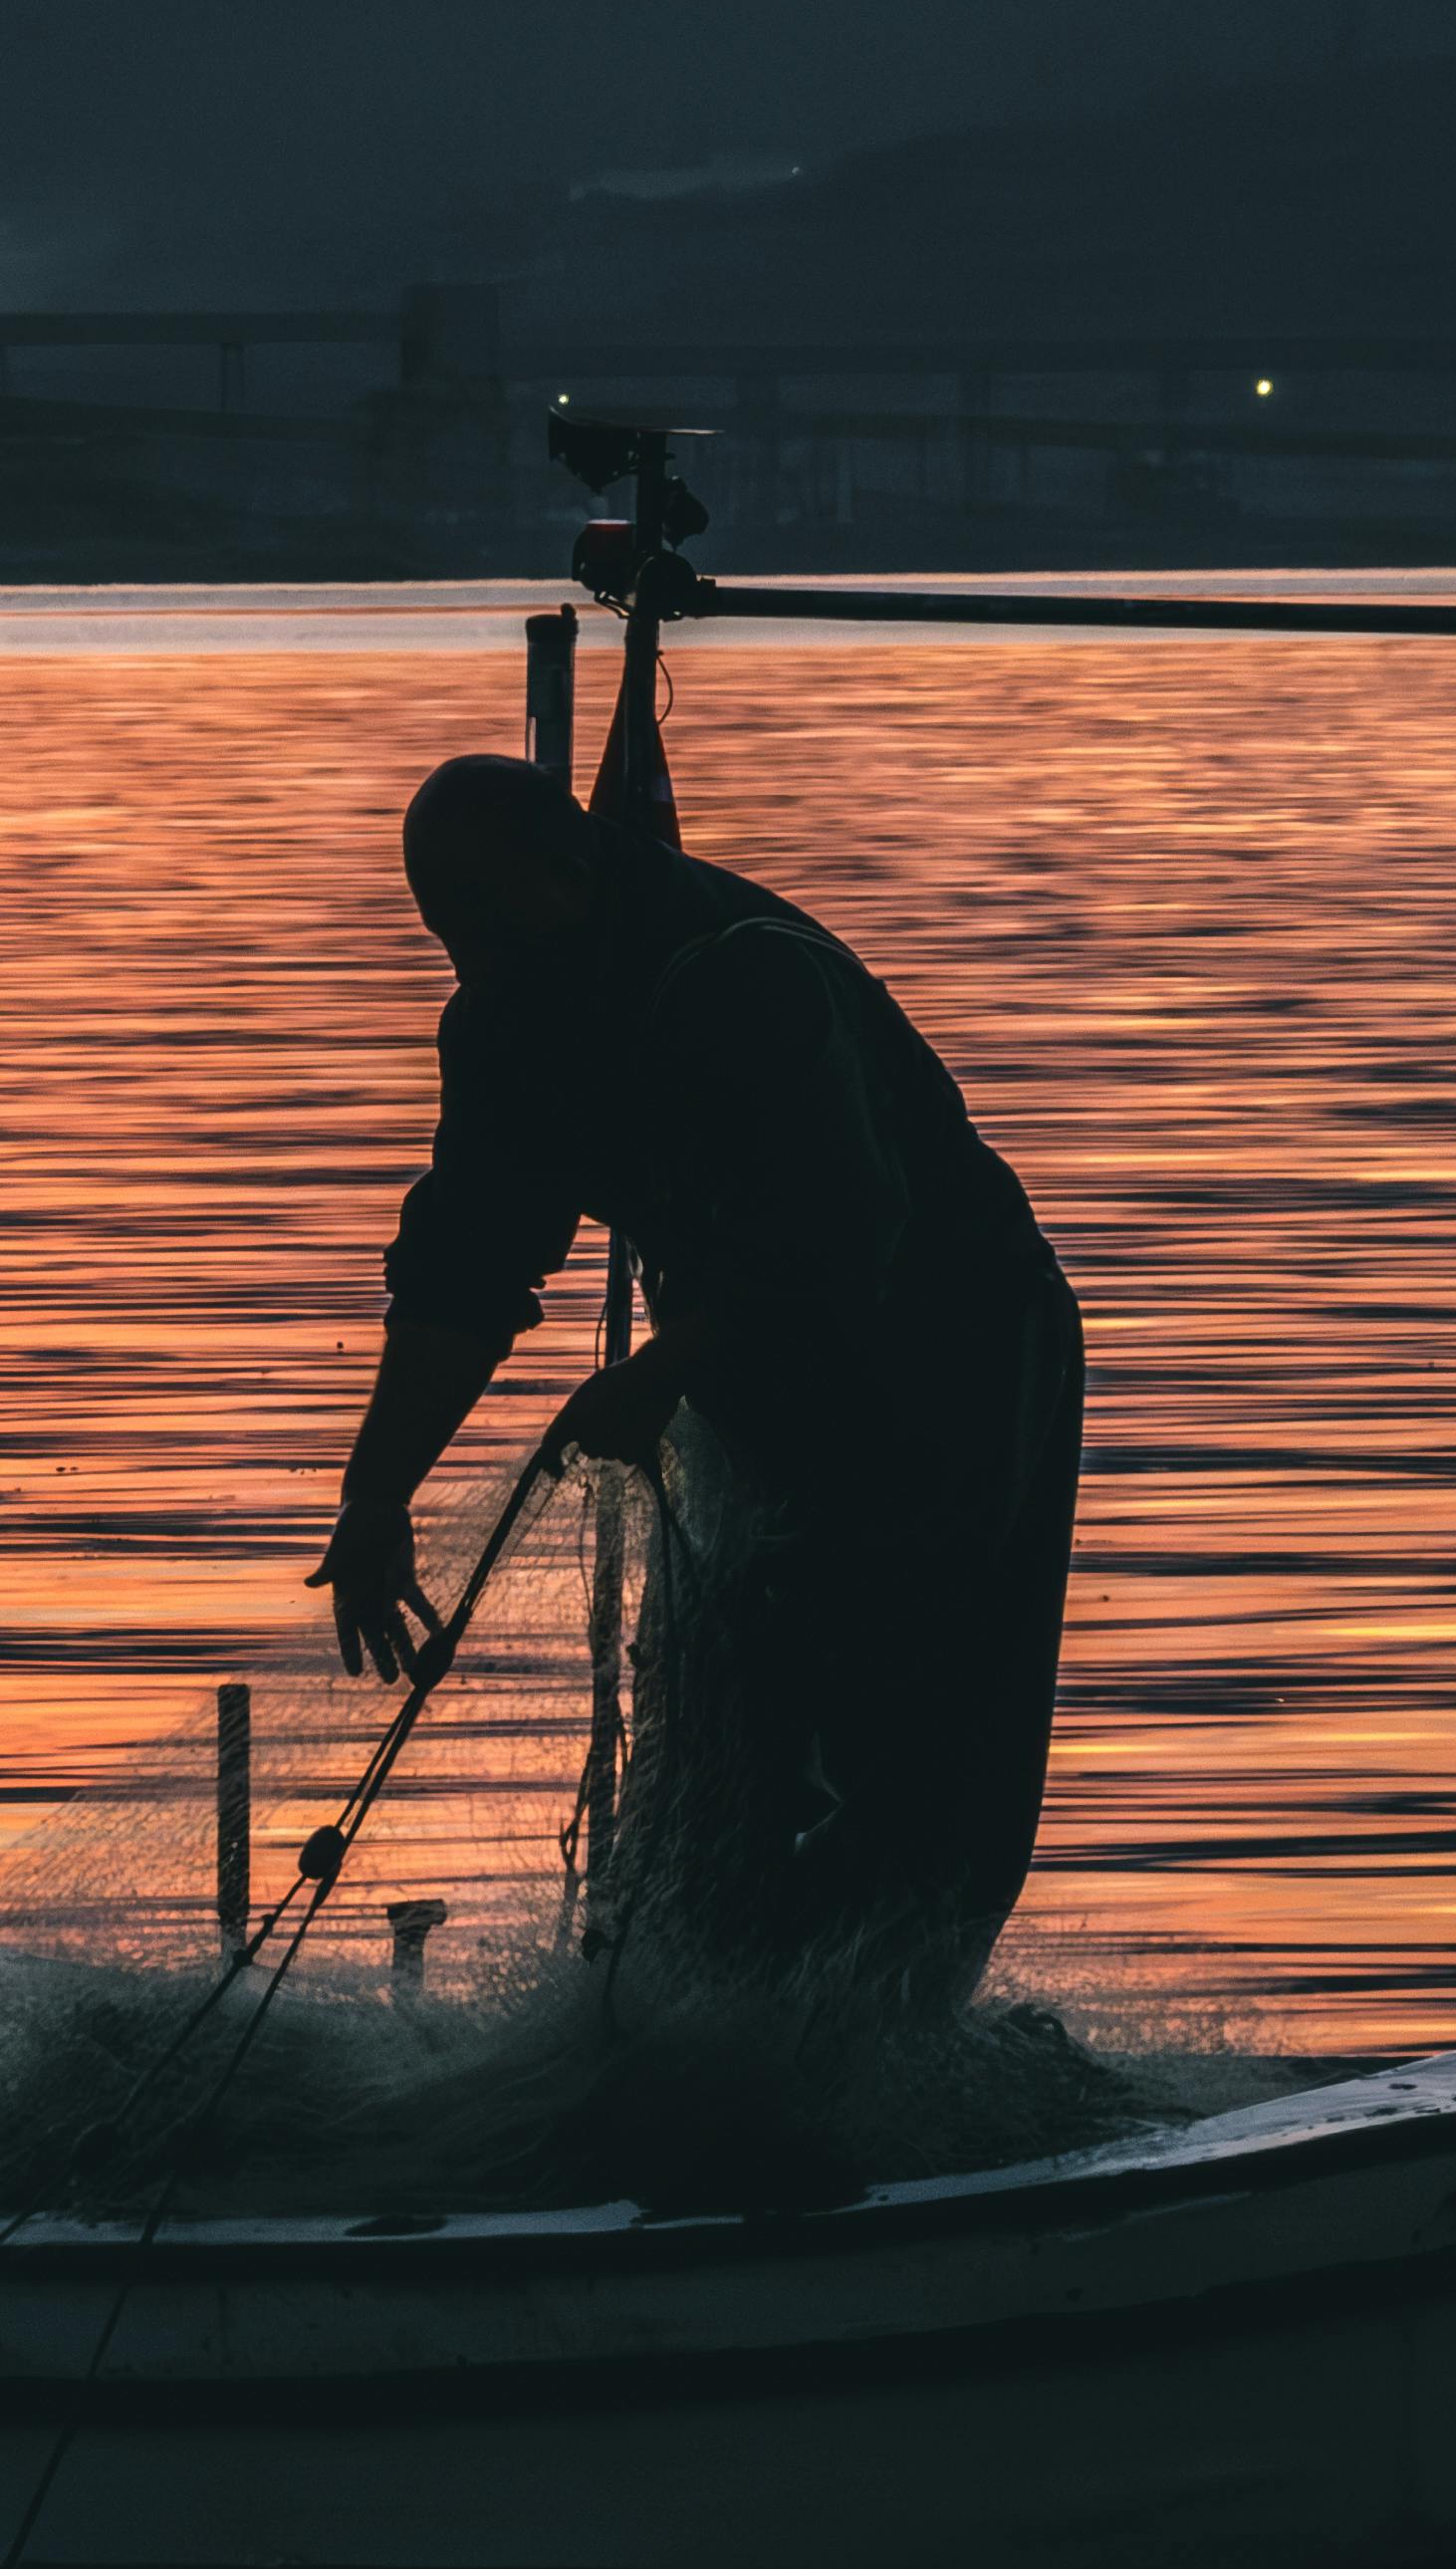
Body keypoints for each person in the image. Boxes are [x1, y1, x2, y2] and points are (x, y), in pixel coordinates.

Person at [315, 751, 1084, 2011]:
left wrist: (662, 1368)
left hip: (955, 1356)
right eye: (447, 938)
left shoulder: (742, 975)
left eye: (490, 927)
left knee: (916, 1730)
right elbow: (465, 1269)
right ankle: (691, 2016)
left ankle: (872, 2044)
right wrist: (375, 1494)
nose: (472, 965)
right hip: (747, 1375)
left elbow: (844, 1237)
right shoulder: (504, 1017)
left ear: (570, 871)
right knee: (719, 1710)